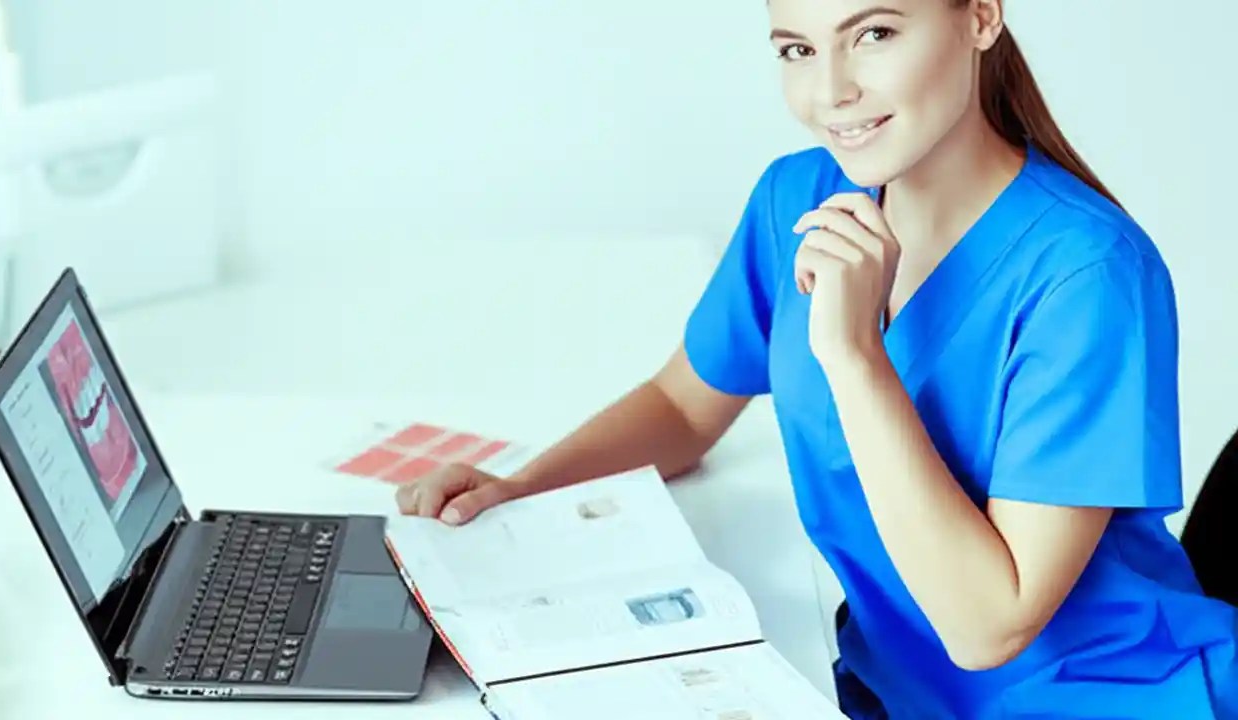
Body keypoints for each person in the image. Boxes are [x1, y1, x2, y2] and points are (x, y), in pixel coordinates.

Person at [396, 0, 1238, 717]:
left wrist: (853, 355)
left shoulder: (1087, 276)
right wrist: (521, 490)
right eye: (798, 49)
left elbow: (991, 626)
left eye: (874, 34)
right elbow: (686, 407)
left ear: (981, 15)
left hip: (1099, 696)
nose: (829, 91)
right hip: (893, 692)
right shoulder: (797, 199)